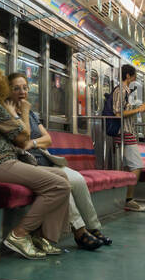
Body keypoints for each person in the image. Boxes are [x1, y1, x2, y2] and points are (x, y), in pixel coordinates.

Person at [0, 68, 71, 260]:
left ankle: (42, 238)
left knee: (62, 176)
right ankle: (19, 235)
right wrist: (24, 111)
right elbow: (23, 138)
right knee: (59, 185)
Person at [6, 72, 110, 251]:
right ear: (9, 91)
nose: (22, 92)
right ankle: (80, 231)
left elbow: (48, 138)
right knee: (62, 184)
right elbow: (22, 139)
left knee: (77, 179)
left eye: (24, 87)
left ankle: (94, 227)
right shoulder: (8, 113)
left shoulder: (31, 113)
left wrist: (33, 143)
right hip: (29, 164)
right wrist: (26, 125)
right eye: (16, 88)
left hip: (47, 160)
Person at [110, 64, 145, 212]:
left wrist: (140, 108)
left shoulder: (127, 91)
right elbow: (118, 113)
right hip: (124, 132)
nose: (135, 78)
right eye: (134, 75)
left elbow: (126, 110)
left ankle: (128, 198)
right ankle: (128, 199)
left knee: (133, 166)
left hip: (129, 132)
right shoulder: (120, 90)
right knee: (137, 165)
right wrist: (139, 109)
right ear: (128, 76)